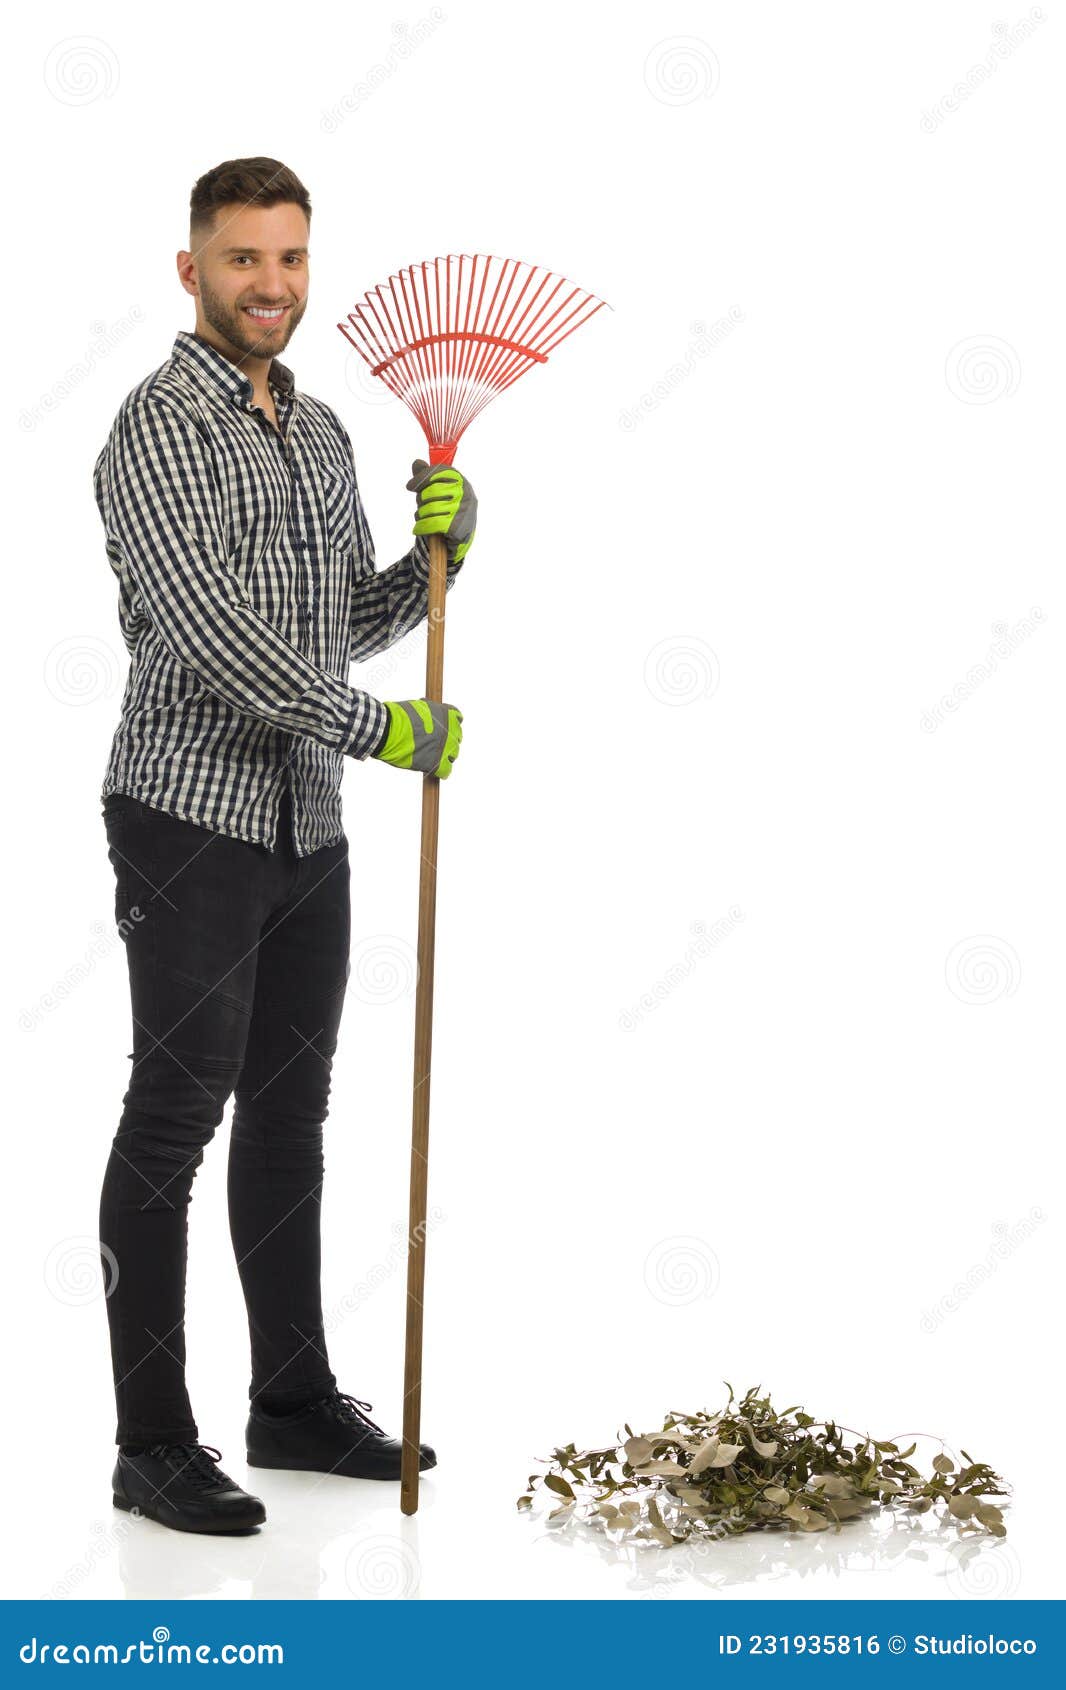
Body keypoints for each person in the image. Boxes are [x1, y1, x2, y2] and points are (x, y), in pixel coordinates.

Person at [95, 156, 474, 1535]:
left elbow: (338, 626)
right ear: (191, 268)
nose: (272, 285)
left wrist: (436, 563)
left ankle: (291, 1402)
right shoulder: (156, 431)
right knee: (173, 1119)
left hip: (306, 815)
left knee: (292, 1116)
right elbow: (215, 641)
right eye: (245, 259)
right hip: (187, 814)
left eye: (292, 259)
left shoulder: (317, 435)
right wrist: (382, 728)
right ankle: (151, 1443)